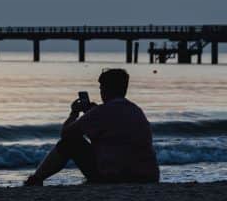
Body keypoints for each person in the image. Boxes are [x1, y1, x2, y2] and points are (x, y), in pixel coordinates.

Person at [25, 68, 159, 186]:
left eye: (101, 88)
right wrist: (92, 112)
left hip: (116, 177)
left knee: (69, 143)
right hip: (147, 176)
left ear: (107, 89)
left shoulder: (102, 112)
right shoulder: (136, 110)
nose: (100, 92)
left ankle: (36, 179)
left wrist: (74, 113)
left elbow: (66, 134)